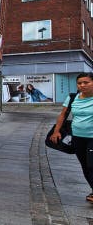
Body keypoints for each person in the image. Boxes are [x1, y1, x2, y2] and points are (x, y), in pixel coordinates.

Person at [50, 73, 93, 204]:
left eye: (86, 82)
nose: (82, 85)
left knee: (92, 165)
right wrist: (56, 131)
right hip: (77, 137)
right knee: (85, 166)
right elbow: (62, 115)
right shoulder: (73, 98)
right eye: (79, 83)